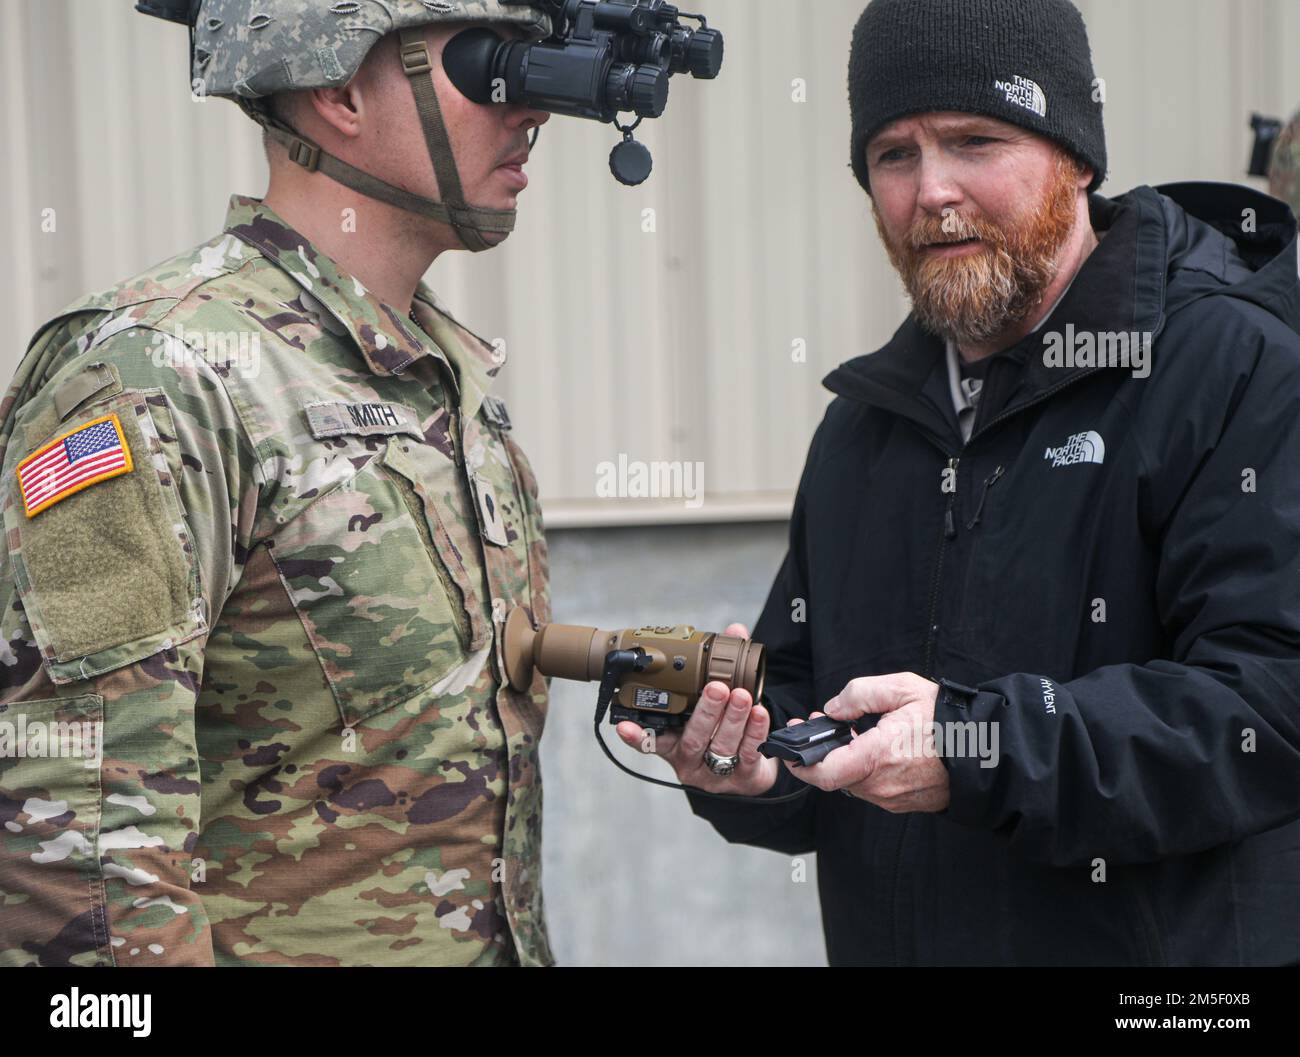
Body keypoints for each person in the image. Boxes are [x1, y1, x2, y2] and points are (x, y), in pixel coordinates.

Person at [620, 0, 1300, 965]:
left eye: (974, 140)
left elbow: (1270, 706)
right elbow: (818, 702)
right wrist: (750, 765)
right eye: (894, 154)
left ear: (1077, 156)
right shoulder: (866, 423)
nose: (931, 190)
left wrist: (980, 750)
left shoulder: (1234, 370)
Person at [0, 0, 559, 966]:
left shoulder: (444, 375)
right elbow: (80, 846)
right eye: (489, 65)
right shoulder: (160, 376)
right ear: (338, 88)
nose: (533, 111)